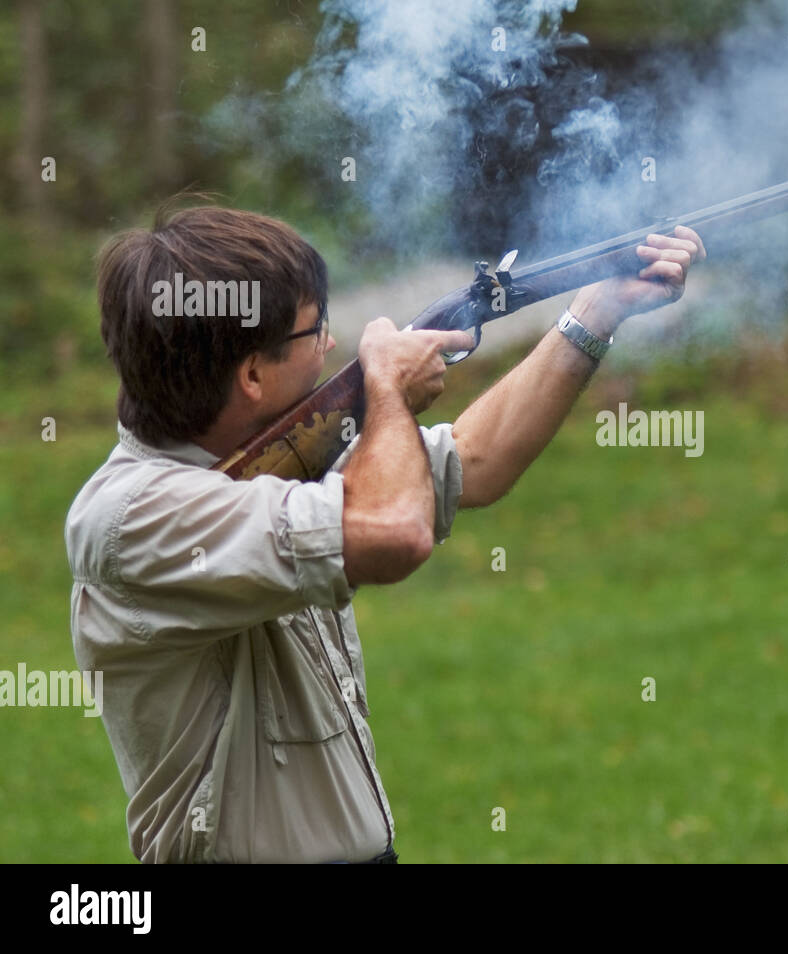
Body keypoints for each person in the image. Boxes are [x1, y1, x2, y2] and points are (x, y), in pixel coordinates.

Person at [66, 203, 704, 862]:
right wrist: (387, 394)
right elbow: (395, 533)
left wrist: (598, 310)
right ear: (251, 375)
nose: (332, 347)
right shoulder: (136, 517)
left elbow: (474, 463)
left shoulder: (275, 456)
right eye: (315, 331)